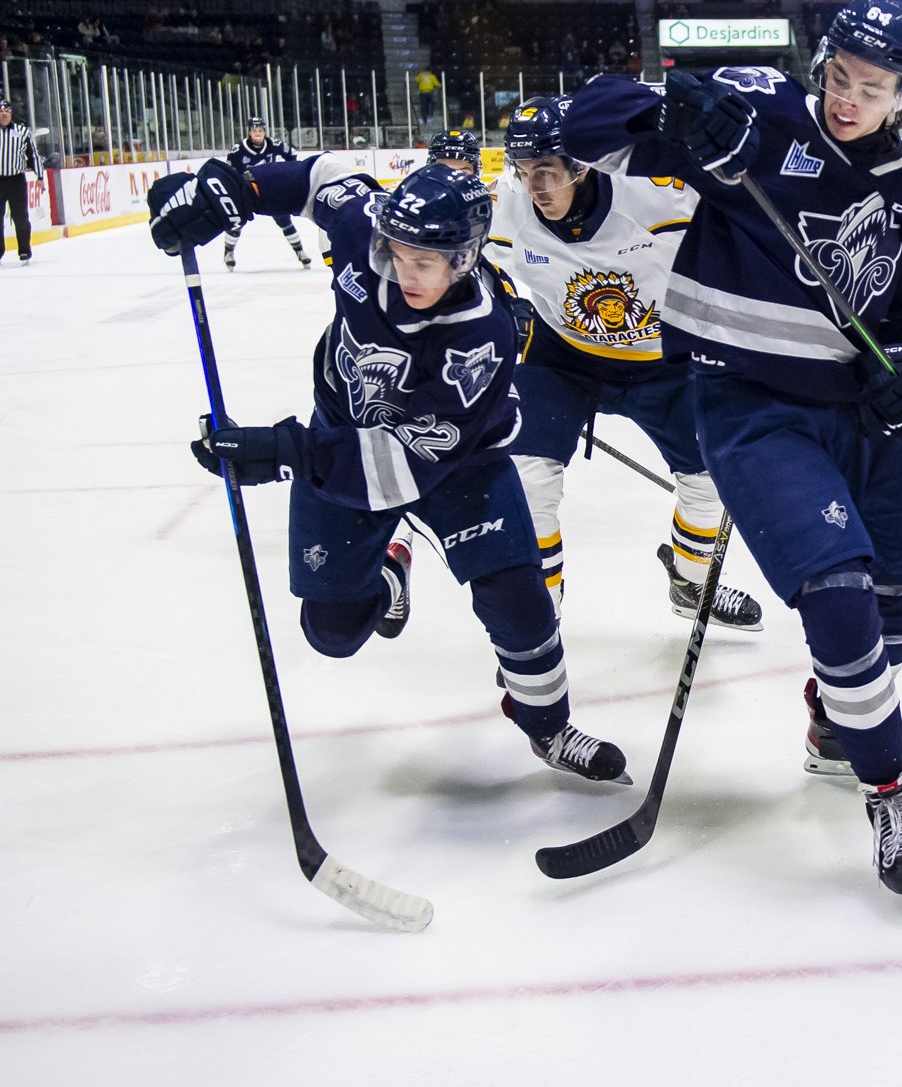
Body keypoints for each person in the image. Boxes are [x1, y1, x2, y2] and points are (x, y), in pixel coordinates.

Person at [560, 0, 902, 900]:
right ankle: (885, 785)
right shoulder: (762, 113)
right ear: (822, 68)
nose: (852, 99)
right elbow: (585, 133)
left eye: (876, 87)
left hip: (851, 411)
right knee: (840, 592)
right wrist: (672, 112)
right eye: (842, 78)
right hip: (748, 404)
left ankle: (836, 720)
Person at [145, 156, 631, 785]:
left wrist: (286, 453)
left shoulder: (480, 336)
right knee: (333, 633)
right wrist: (230, 190)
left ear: (465, 257)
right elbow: (324, 177)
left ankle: (547, 726)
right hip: (344, 429)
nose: (404, 271)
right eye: (397, 253)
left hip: (456, 463)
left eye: (424, 262)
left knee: (518, 599)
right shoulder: (367, 232)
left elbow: (404, 467)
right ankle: (386, 579)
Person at [486, 95, 764, 630]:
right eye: (523, 173)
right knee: (526, 479)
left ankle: (690, 581)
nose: (536, 189)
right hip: (560, 360)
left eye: (546, 171)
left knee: (709, 484)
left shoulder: (659, 197)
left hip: (664, 360)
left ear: (582, 163)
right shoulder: (507, 206)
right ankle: (536, 620)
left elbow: (747, 229)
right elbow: (456, 261)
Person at [223, 118, 310, 271]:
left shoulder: (275, 145)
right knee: (237, 220)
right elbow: (229, 171)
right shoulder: (238, 151)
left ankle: (300, 252)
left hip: (271, 190)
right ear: (249, 132)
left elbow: (293, 157)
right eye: (254, 130)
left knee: (284, 219)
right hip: (248, 193)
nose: (258, 133)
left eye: (261, 130)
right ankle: (228, 253)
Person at [0, 98, 45, 265]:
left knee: (20, 216)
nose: (4, 114)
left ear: (11, 113)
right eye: (1, 111)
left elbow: (33, 156)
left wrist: (39, 177)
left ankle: (24, 251)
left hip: (16, 180)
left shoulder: (22, 132)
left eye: (7, 111)